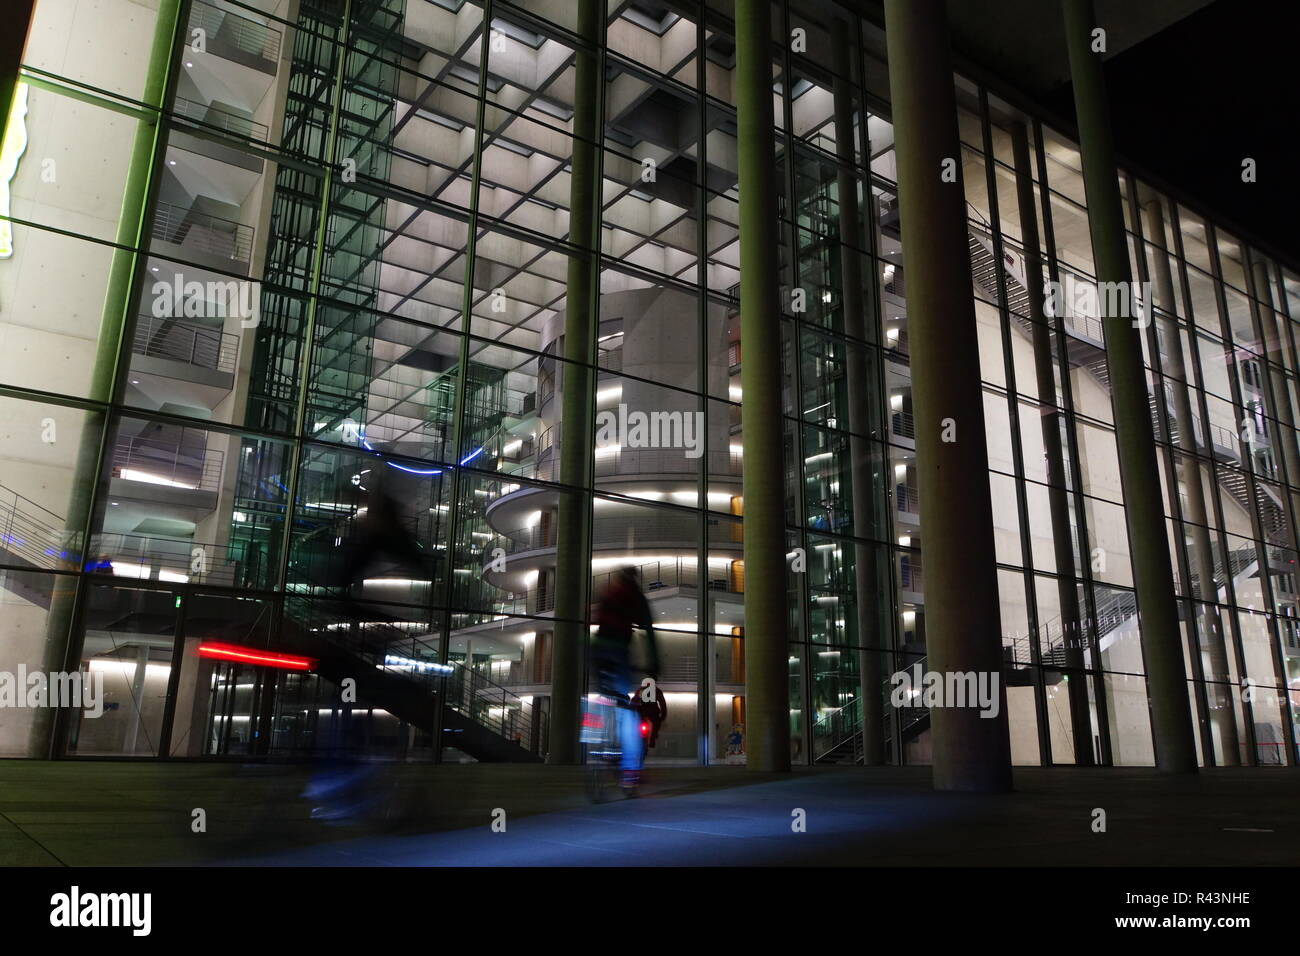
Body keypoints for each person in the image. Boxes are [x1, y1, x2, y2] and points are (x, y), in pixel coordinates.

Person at [591, 566, 659, 791]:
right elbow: (648, 631)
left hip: (597, 650)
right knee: (627, 708)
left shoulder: (609, 592)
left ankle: (595, 740)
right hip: (618, 649)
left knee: (602, 695)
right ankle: (630, 771)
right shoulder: (636, 596)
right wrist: (653, 663)